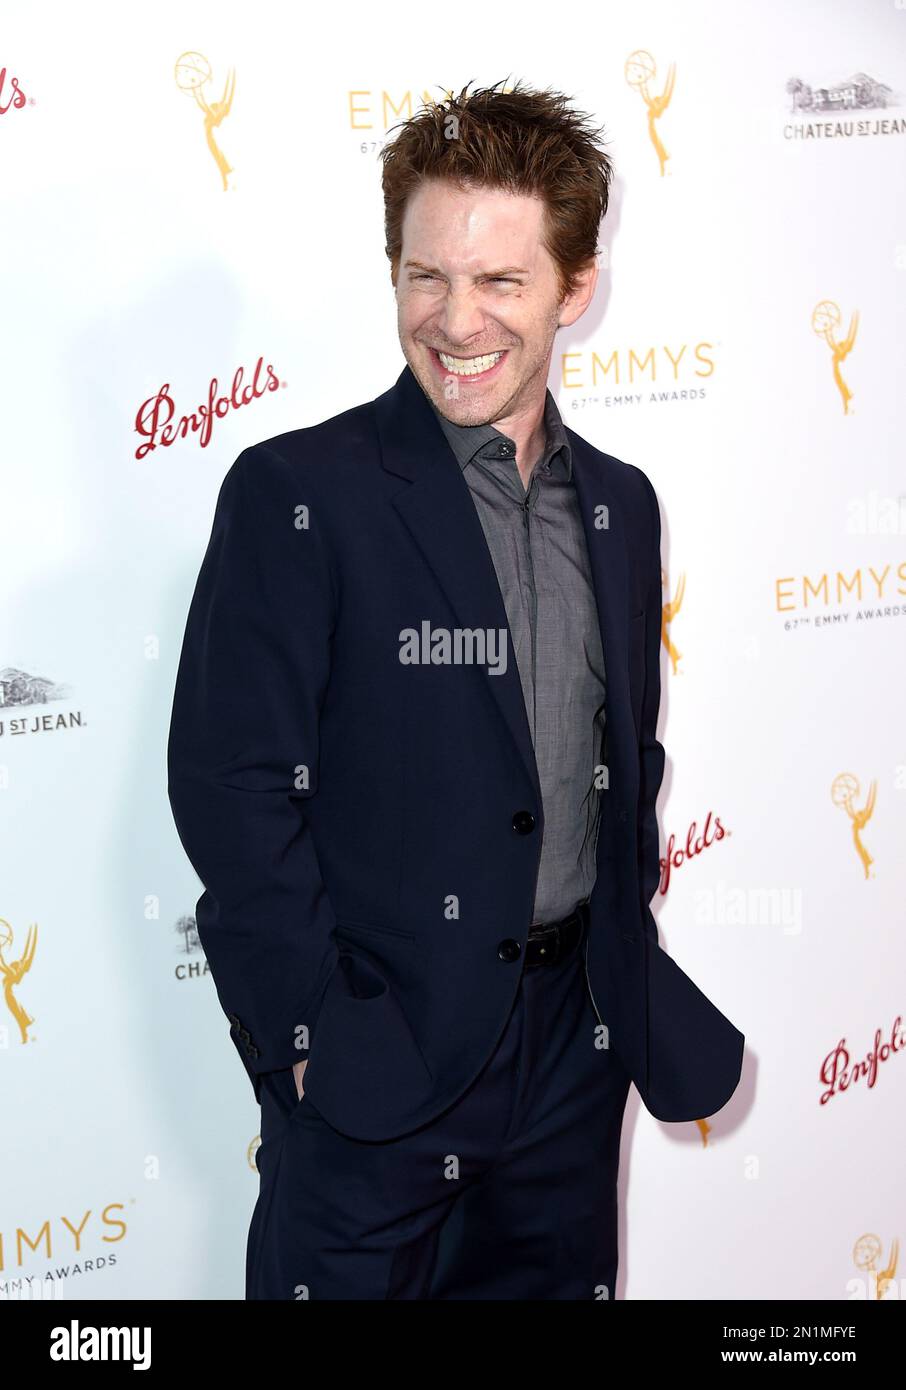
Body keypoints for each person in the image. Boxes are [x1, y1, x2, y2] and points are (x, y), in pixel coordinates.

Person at [166, 79, 744, 1301]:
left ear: (574, 290)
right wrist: (314, 1042)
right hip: (379, 1065)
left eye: (499, 282)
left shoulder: (623, 504)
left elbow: (616, 759)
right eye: (426, 276)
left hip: (571, 1067)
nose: (454, 319)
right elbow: (230, 786)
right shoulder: (298, 494)